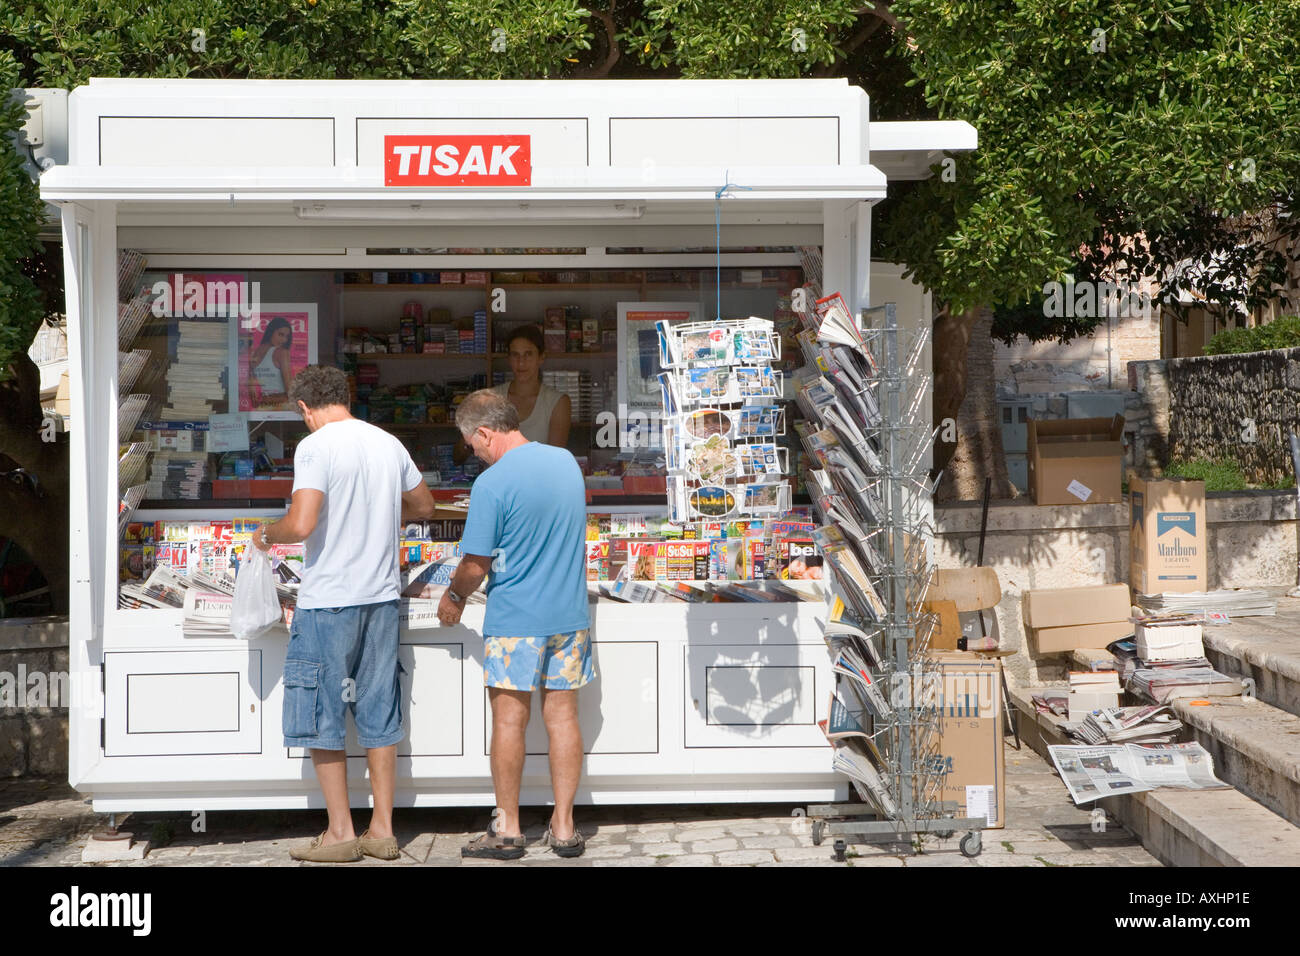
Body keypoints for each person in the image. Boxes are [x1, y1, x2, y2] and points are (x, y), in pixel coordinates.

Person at [253, 365, 435, 863]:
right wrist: (375, 510)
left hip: (329, 599)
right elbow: (424, 505)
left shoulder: (315, 446)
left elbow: (303, 523)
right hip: (379, 598)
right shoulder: (386, 442)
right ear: (346, 397)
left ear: (305, 408)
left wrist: (266, 534)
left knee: (320, 710)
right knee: (379, 709)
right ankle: (382, 830)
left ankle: (339, 833)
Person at [438, 389, 593, 860]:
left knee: (510, 720)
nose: (474, 452)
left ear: (485, 432)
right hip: (569, 617)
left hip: (515, 620)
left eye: (472, 444)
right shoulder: (566, 461)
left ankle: (507, 828)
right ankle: (564, 827)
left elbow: (475, 564)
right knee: (563, 718)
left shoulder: (492, 484)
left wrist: (453, 597)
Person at [247, 316, 294, 409]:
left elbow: (251, 389)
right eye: (281, 334)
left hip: (262, 408)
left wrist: (263, 399)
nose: (284, 340)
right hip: (282, 407)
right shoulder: (282, 353)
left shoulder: (256, 352)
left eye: (287, 337)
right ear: (271, 331)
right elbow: (291, 392)